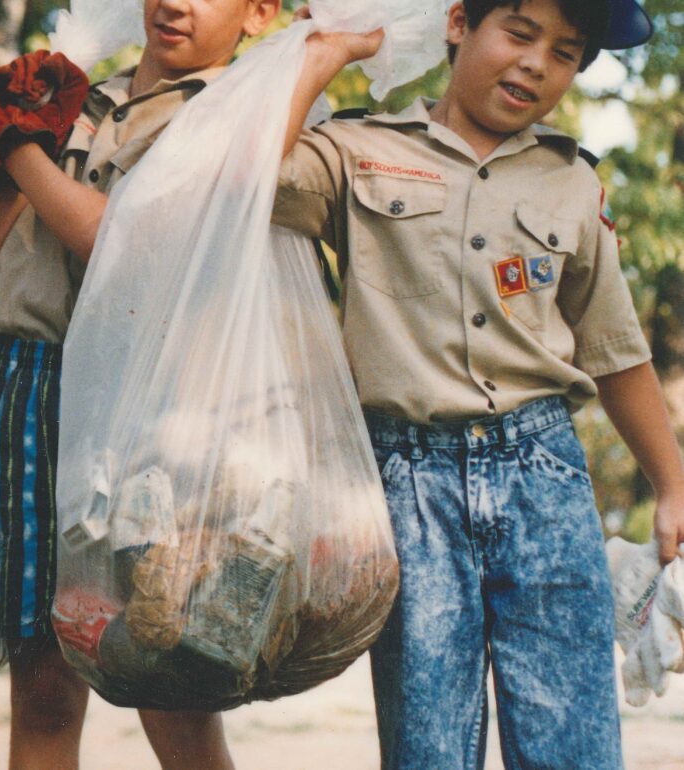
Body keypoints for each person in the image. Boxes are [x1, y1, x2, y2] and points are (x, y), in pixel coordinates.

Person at [278, 0, 683, 766]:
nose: (537, 63)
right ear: (459, 23)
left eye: (566, 53)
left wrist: (673, 486)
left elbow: (615, 350)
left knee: (572, 741)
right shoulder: (355, 149)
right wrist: (328, 51)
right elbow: (252, 177)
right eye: (520, 32)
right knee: (427, 743)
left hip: (544, 478)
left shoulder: (571, 183)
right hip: (407, 486)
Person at [0, 0, 285, 767]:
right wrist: (17, 127)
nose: (174, 3)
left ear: (261, 13)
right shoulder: (78, 101)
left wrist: (22, 151)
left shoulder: (233, 112)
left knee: (168, 680)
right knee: (42, 684)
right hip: (26, 392)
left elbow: (118, 244)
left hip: (145, 399)